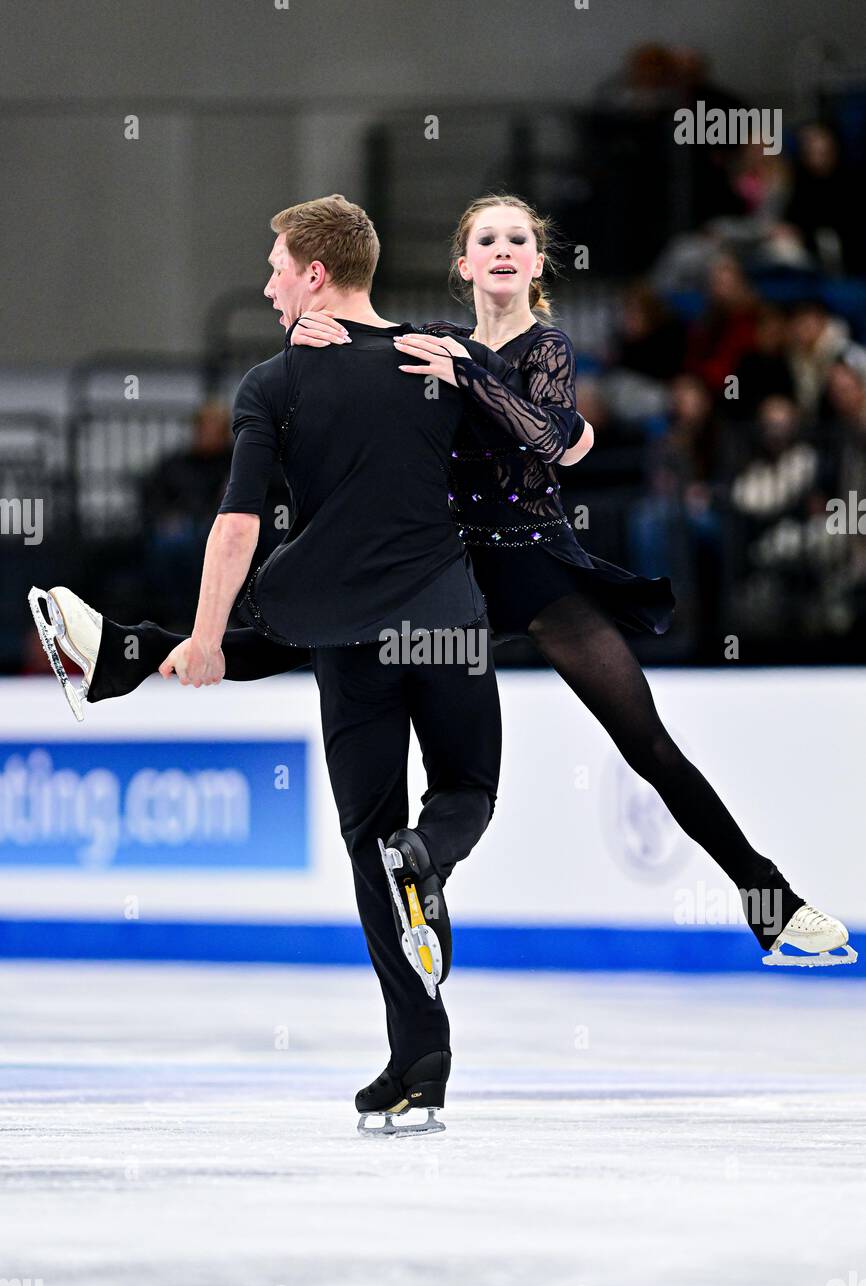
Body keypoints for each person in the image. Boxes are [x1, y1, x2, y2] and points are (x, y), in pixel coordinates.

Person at [30, 194, 587, 1136]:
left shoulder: (275, 382)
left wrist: (203, 640)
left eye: (278, 265)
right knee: (465, 796)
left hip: (342, 631)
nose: (268, 282)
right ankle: (429, 870)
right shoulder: (439, 357)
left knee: (369, 832)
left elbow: (238, 522)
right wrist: (472, 369)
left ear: (315, 275)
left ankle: (419, 1056)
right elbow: (558, 443)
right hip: (446, 618)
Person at [289, 194, 854, 968]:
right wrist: (321, 331)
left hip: (535, 563)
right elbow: (371, 353)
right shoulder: (436, 342)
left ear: (537, 261)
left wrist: (468, 376)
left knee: (646, 741)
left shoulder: (545, 345)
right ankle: (421, 871)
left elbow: (551, 436)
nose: (502, 249)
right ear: (463, 263)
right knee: (299, 632)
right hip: (451, 571)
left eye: (518, 238)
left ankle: (772, 904)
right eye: (486, 238)